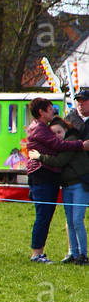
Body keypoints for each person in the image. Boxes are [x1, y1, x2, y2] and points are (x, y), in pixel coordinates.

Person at [24, 98, 89, 263]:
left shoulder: (41, 127)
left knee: (52, 216)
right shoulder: (39, 128)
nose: (53, 111)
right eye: (50, 108)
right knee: (44, 215)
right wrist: (81, 145)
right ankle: (37, 253)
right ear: (42, 112)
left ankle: (71, 253)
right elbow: (58, 145)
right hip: (43, 176)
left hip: (51, 177)